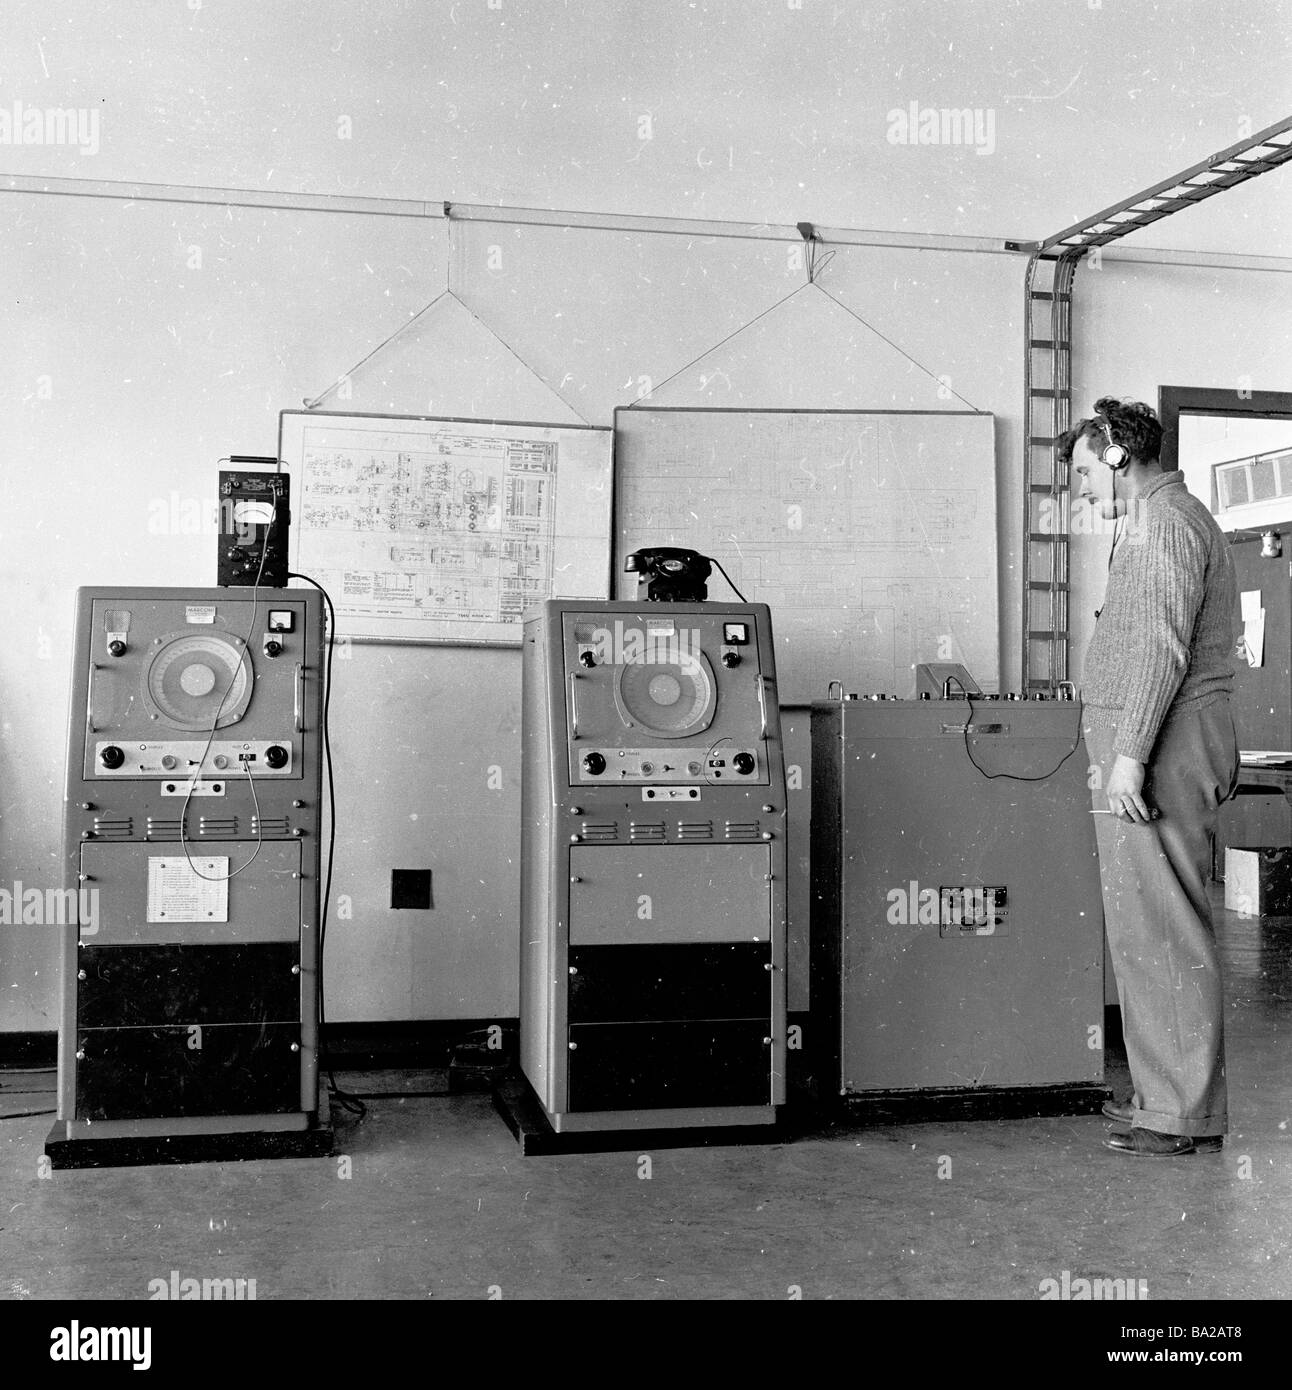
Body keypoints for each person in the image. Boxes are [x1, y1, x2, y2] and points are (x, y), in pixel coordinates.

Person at [1060, 397, 1240, 1158]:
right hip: (1152, 740)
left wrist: (1129, 753)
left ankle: (1178, 1113)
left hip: (1161, 745)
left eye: (1080, 473)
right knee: (1146, 927)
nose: (1077, 493)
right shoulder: (1159, 520)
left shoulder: (1165, 523)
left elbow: (1160, 648)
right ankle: (1162, 1099)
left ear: (1115, 456)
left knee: (1163, 927)